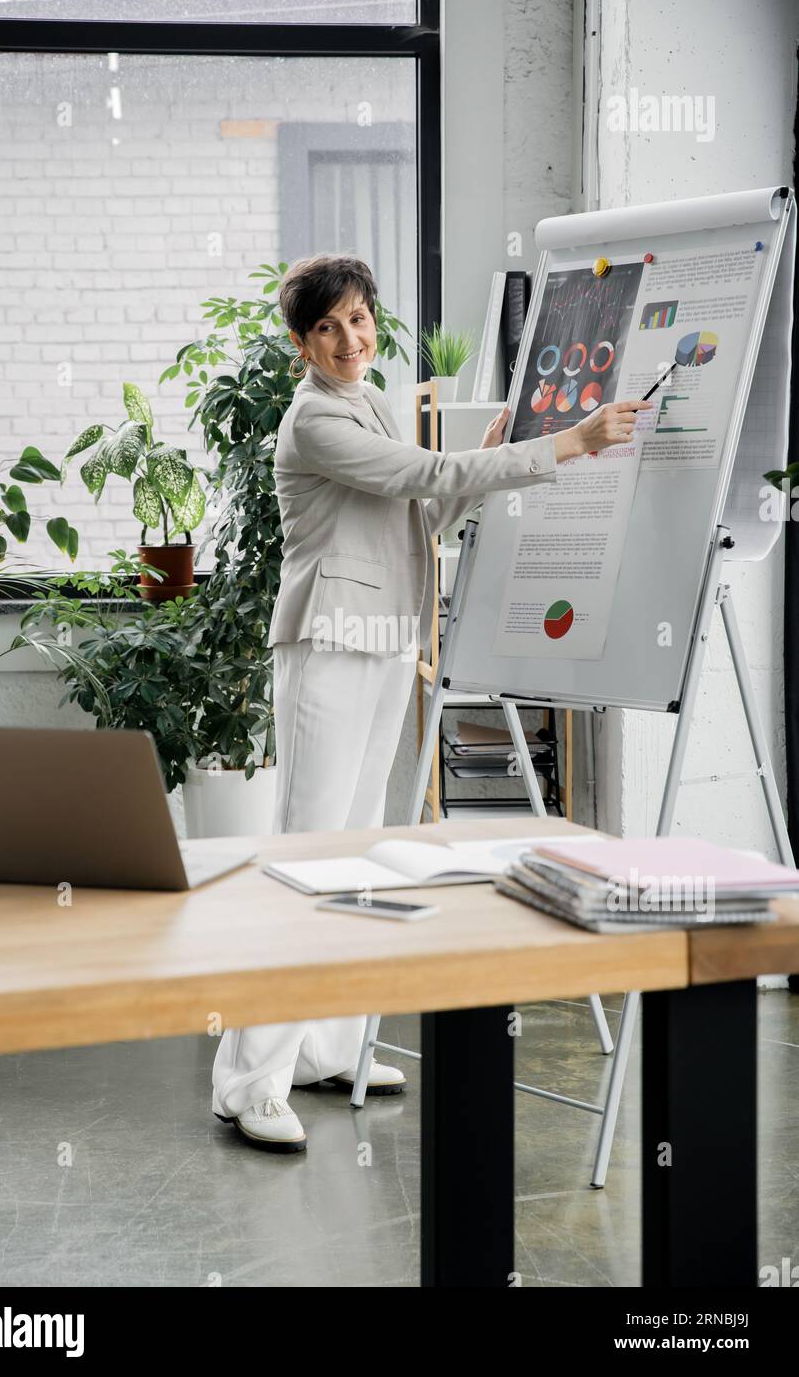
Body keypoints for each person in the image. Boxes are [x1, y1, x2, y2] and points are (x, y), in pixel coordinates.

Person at [212, 252, 650, 1152]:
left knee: (360, 860)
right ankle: (247, 1082)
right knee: (303, 862)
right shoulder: (312, 422)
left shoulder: (374, 403)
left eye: (360, 320)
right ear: (300, 342)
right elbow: (423, 481)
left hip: (385, 645)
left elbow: (422, 517)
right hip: (329, 644)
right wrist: (569, 442)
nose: (349, 340)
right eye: (327, 328)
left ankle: (329, 1048)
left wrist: (484, 457)